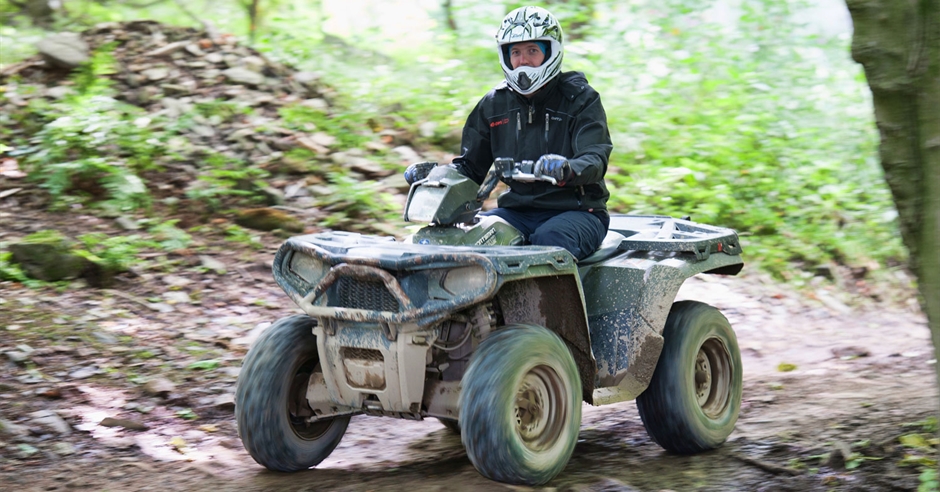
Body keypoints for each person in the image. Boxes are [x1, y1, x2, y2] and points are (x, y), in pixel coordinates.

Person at [449, 5, 613, 261]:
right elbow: (469, 168)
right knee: (468, 239)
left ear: (551, 52)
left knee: (549, 240)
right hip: (517, 212)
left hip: (579, 212)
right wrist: (436, 179)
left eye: (532, 50)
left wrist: (567, 168)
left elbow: (595, 157)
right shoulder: (494, 104)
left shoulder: (580, 99)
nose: (523, 60)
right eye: (515, 52)